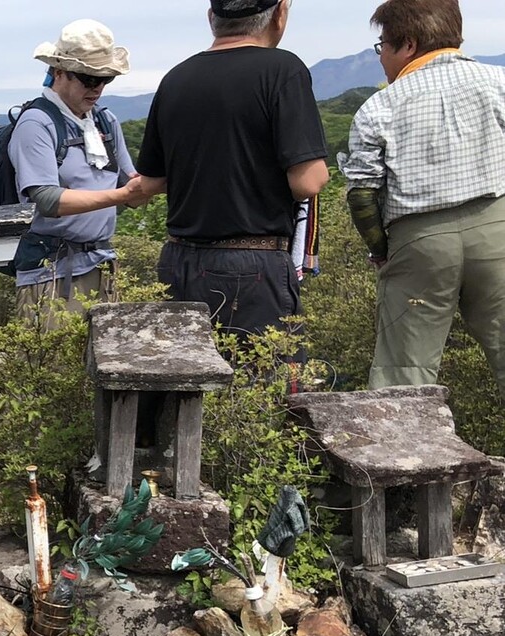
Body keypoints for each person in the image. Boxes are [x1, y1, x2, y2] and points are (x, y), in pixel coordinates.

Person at [134, 0, 329, 342]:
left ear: (212, 17)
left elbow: (151, 181)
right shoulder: (282, 70)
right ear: (280, 14)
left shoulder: (175, 78)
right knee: (259, 373)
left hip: (178, 261)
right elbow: (308, 181)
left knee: (183, 372)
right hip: (251, 265)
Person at [338, 0, 505, 390]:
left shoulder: (379, 106)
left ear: (408, 44)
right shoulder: (499, 82)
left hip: (419, 242)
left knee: (403, 375)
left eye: (383, 46)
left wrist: (380, 250)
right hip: (498, 229)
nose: (381, 57)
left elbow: (361, 195)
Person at [10, 20, 147, 314]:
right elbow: (47, 200)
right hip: (51, 272)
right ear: (59, 72)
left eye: (105, 79)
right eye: (88, 79)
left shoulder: (105, 121)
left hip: (102, 264)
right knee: (54, 347)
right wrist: (124, 194)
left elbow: (132, 190)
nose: (98, 88)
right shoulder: (36, 123)